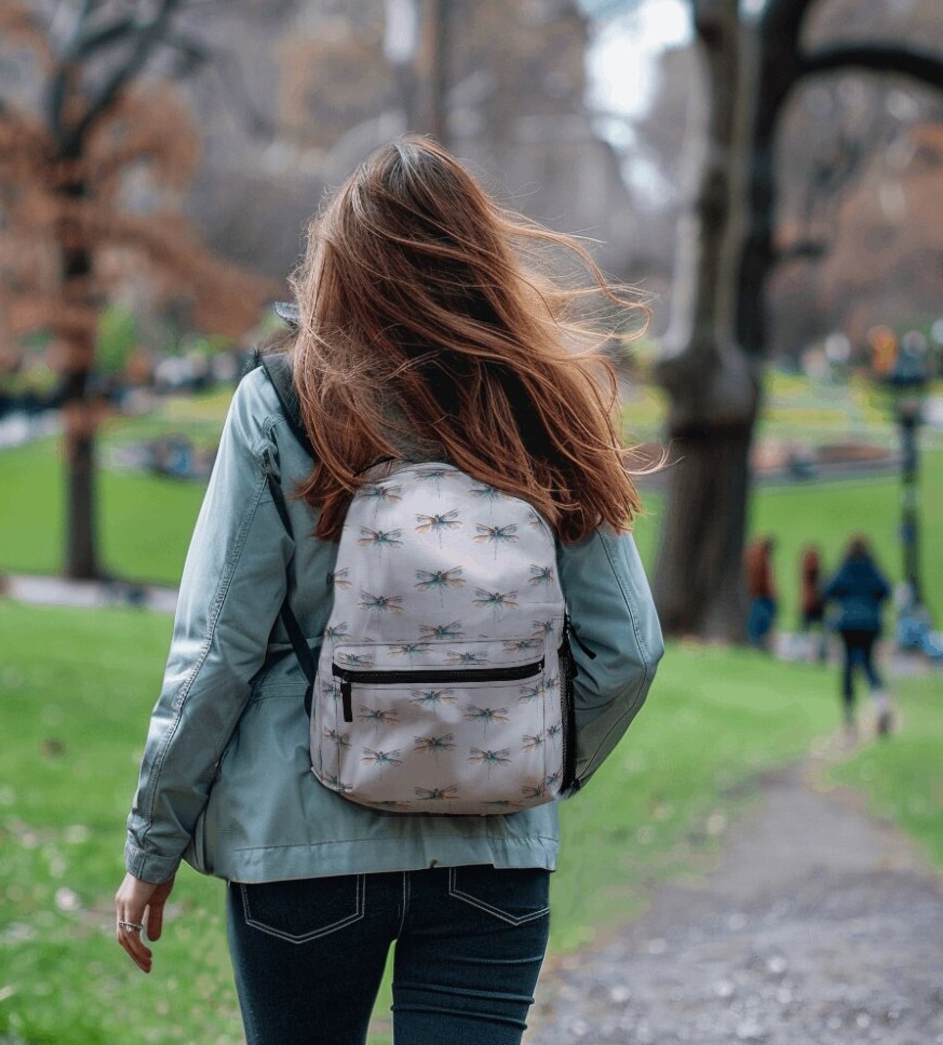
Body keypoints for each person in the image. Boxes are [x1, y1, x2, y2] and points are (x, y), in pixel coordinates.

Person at [113, 137, 664, 1045]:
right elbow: (629, 650)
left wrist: (152, 847)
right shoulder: (547, 406)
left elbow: (217, 651)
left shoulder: (286, 402)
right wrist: (528, 760)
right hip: (492, 852)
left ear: (341, 261)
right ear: (481, 257)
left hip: (300, 850)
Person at [824, 535, 892, 737]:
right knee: (869, 665)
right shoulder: (872, 567)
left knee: (847, 668)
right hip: (870, 624)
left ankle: (848, 717)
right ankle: (880, 704)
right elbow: (886, 590)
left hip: (848, 625)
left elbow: (829, 590)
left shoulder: (845, 566)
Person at [744, 535, 778, 649]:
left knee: (760, 622)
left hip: (762, 596)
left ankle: (759, 642)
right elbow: (758, 578)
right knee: (759, 622)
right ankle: (757, 643)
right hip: (761, 596)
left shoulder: (758, 553)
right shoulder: (759, 553)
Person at [799, 544, 827, 662]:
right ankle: (820, 653)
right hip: (815, 604)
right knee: (820, 630)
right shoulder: (815, 572)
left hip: (808, 604)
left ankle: (803, 653)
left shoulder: (806, 571)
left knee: (806, 630)